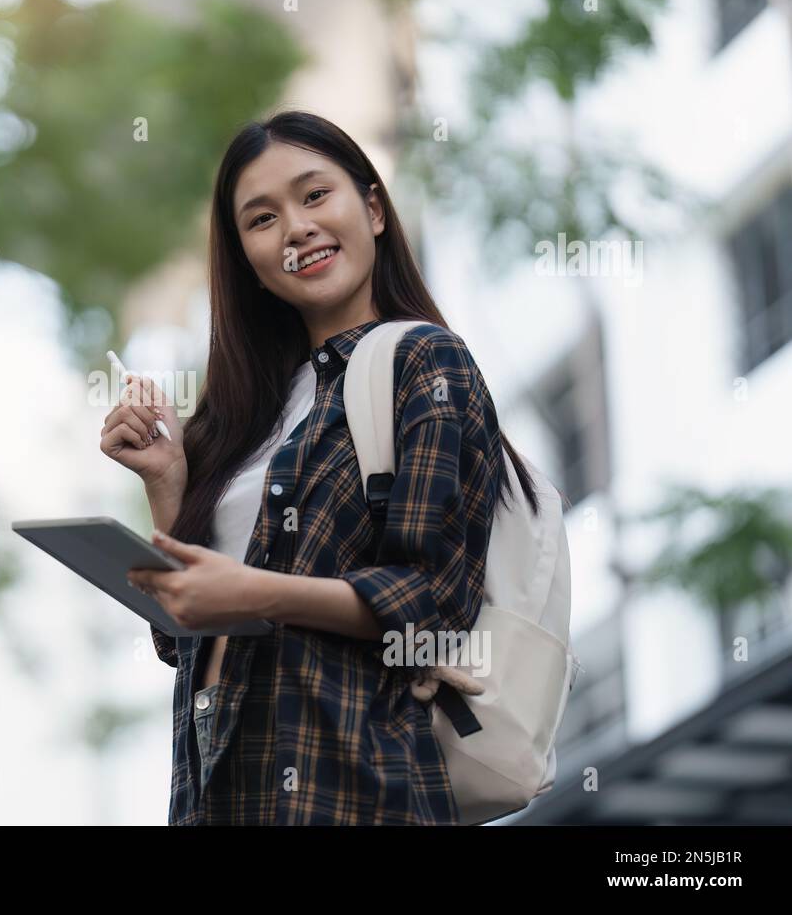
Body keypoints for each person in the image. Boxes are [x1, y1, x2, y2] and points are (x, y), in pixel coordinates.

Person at [99, 110, 540, 825]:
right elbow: (183, 643)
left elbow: (430, 603)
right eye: (262, 218)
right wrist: (168, 486)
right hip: (216, 793)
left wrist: (257, 594)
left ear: (371, 209)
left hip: (358, 794)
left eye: (314, 196)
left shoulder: (423, 361)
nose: (297, 228)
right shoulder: (235, 421)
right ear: (247, 259)